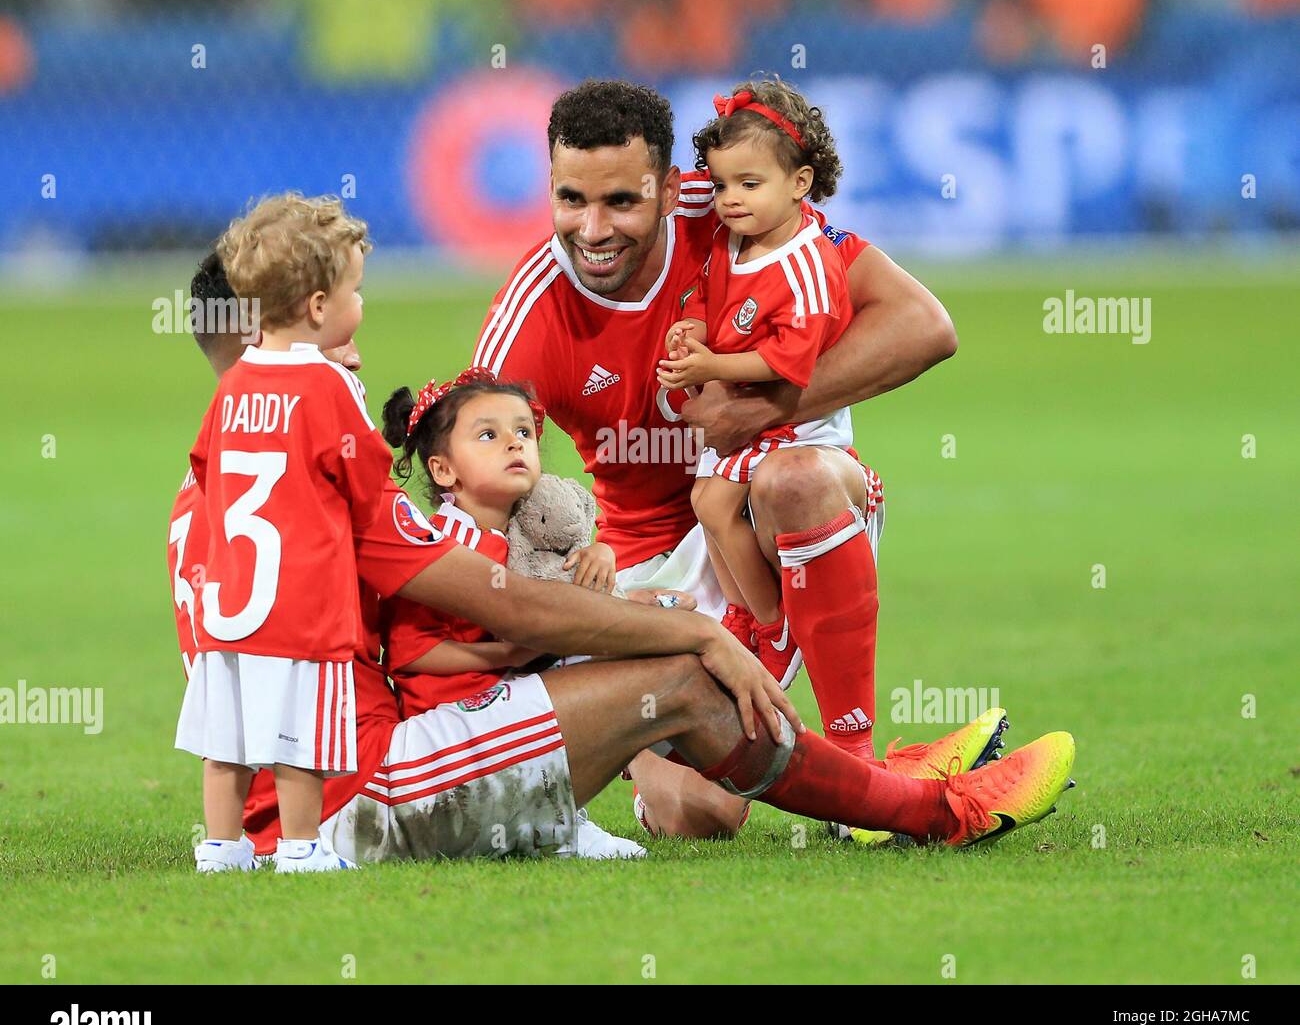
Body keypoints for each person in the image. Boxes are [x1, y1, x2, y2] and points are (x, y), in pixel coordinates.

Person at [169, 252, 1078, 866]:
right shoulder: (318, 464)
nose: (357, 348)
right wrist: (688, 631)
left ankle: (878, 785)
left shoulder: (212, 477)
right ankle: (935, 813)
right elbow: (510, 606)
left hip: (323, 785)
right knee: (683, 677)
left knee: (672, 709)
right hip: (358, 798)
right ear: (273, 336)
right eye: (335, 327)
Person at [473, 79, 960, 837]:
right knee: (693, 815)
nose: (592, 229)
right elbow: (476, 499)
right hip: (650, 575)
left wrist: (765, 410)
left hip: (784, 517)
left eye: (621, 203)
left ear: (671, 188)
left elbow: (923, 324)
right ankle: (849, 764)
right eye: (571, 200)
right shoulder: (527, 318)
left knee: (792, 476)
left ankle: (858, 760)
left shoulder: (738, 206)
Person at [177, 193, 392, 874]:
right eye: (356, 291)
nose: (361, 305)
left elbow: (206, 467)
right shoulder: (328, 387)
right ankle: (301, 846)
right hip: (303, 606)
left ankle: (221, 847)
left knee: (227, 740)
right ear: (320, 307)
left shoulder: (233, 383)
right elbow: (366, 478)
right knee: (304, 734)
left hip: (231, 606)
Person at [378, 367, 643, 858]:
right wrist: (509, 653)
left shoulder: (524, 536)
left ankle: (560, 820)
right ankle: (555, 822)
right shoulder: (439, 543)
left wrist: (600, 554)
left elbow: (569, 597)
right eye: (488, 435)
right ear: (443, 471)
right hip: (452, 726)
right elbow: (411, 654)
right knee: (627, 658)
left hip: (502, 702)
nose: (514, 444)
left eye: (523, 431)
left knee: (629, 633)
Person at [658, 78, 858, 715]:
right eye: (719, 186)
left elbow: (789, 361)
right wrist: (695, 329)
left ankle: (772, 626)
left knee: (715, 501)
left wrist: (711, 364)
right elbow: (719, 305)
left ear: (800, 183)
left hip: (794, 425)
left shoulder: (806, 260)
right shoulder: (734, 243)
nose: (729, 200)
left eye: (750, 184)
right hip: (748, 413)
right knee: (705, 499)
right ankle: (747, 616)